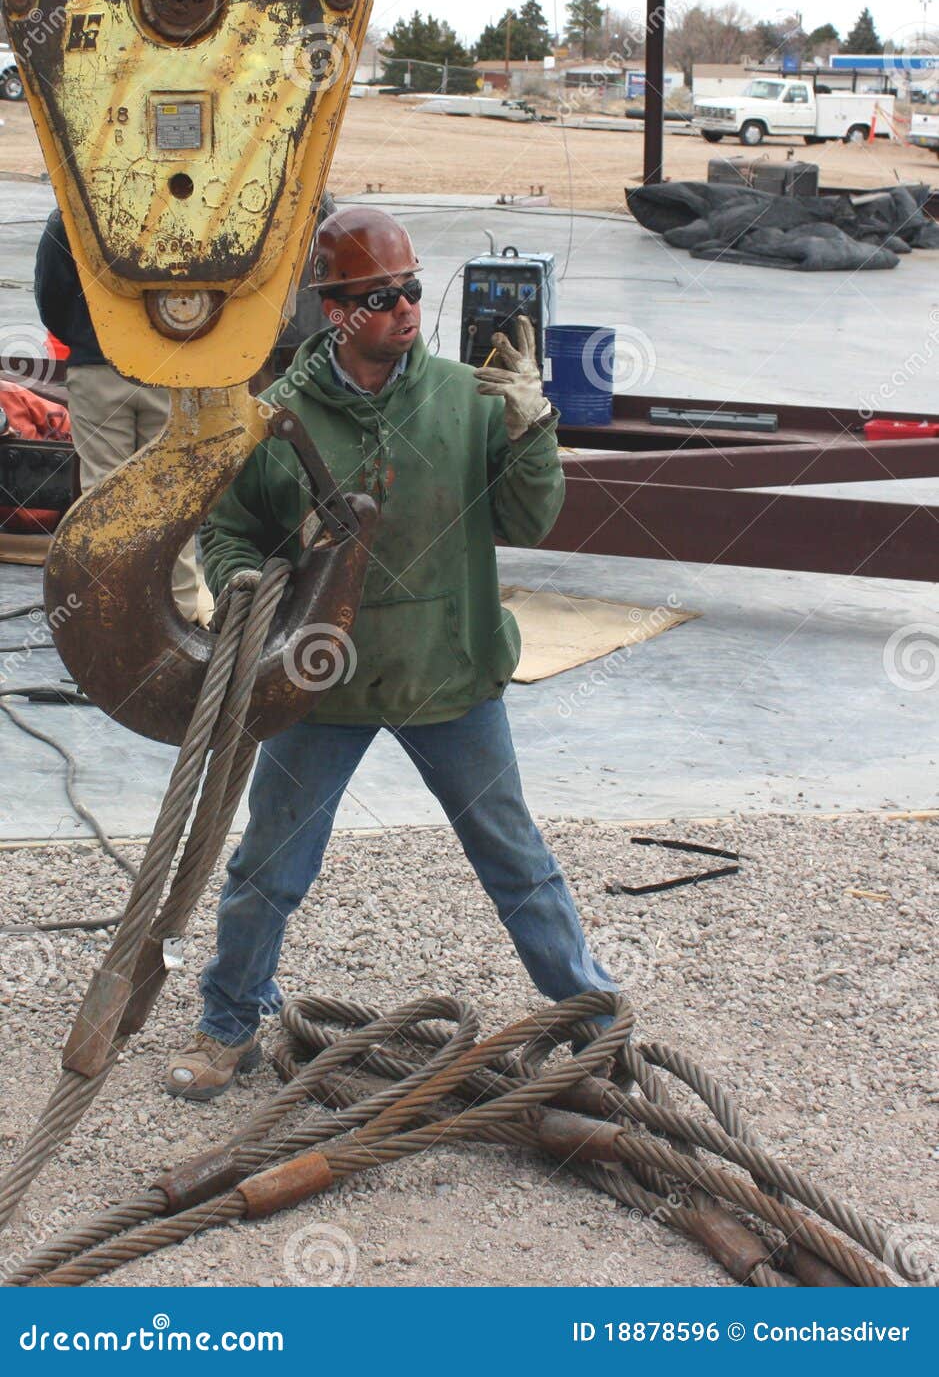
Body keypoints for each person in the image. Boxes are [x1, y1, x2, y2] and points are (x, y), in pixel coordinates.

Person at [166, 204, 614, 1099]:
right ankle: (230, 1024)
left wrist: (532, 432)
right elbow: (227, 531)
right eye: (382, 295)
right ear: (335, 312)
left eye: (411, 288)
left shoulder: (465, 401)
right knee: (267, 868)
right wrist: (251, 579)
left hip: (448, 671)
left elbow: (531, 519)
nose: (407, 307)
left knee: (515, 861)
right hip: (318, 684)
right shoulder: (279, 422)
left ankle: (595, 1025)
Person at [34, 208, 211, 625]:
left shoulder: (71, 212)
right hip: (170, 365)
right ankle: (181, 613)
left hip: (97, 369)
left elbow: (52, 297)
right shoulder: (190, 208)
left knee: (104, 498)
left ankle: (107, 615)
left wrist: (84, 337)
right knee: (171, 494)